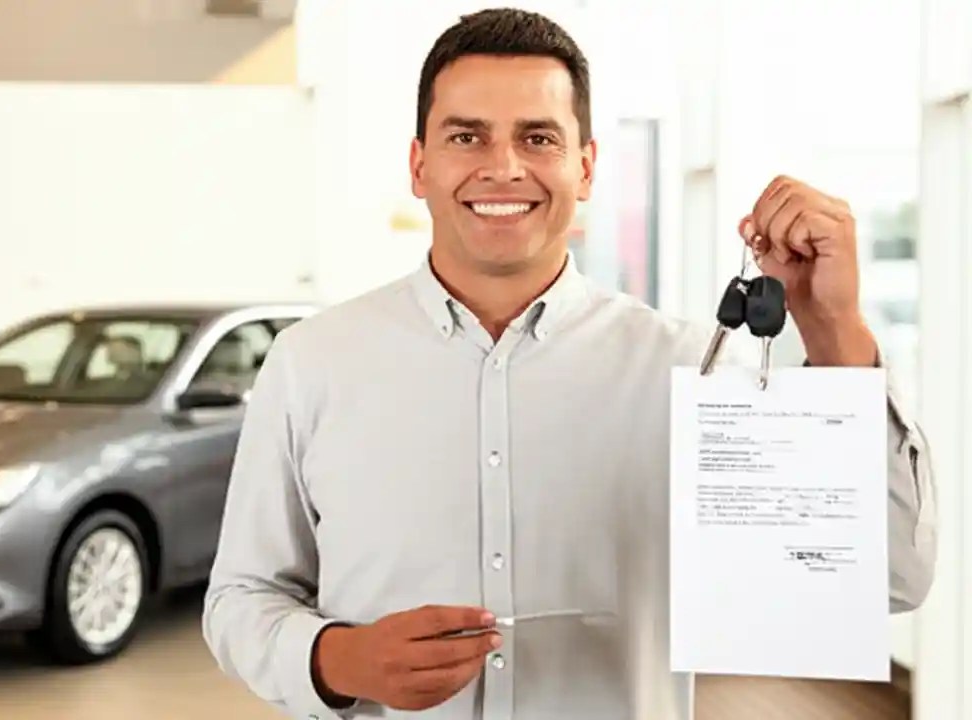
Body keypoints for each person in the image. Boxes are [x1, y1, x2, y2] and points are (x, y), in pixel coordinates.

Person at [201, 8, 937, 719]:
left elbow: (890, 579)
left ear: (585, 168)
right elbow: (241, 597)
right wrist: (336, 659)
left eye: (538, 137)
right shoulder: (312, 364)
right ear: (419, 165)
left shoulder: (695, 374)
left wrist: (833, 328)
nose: (503, 167)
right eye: (467, 136)